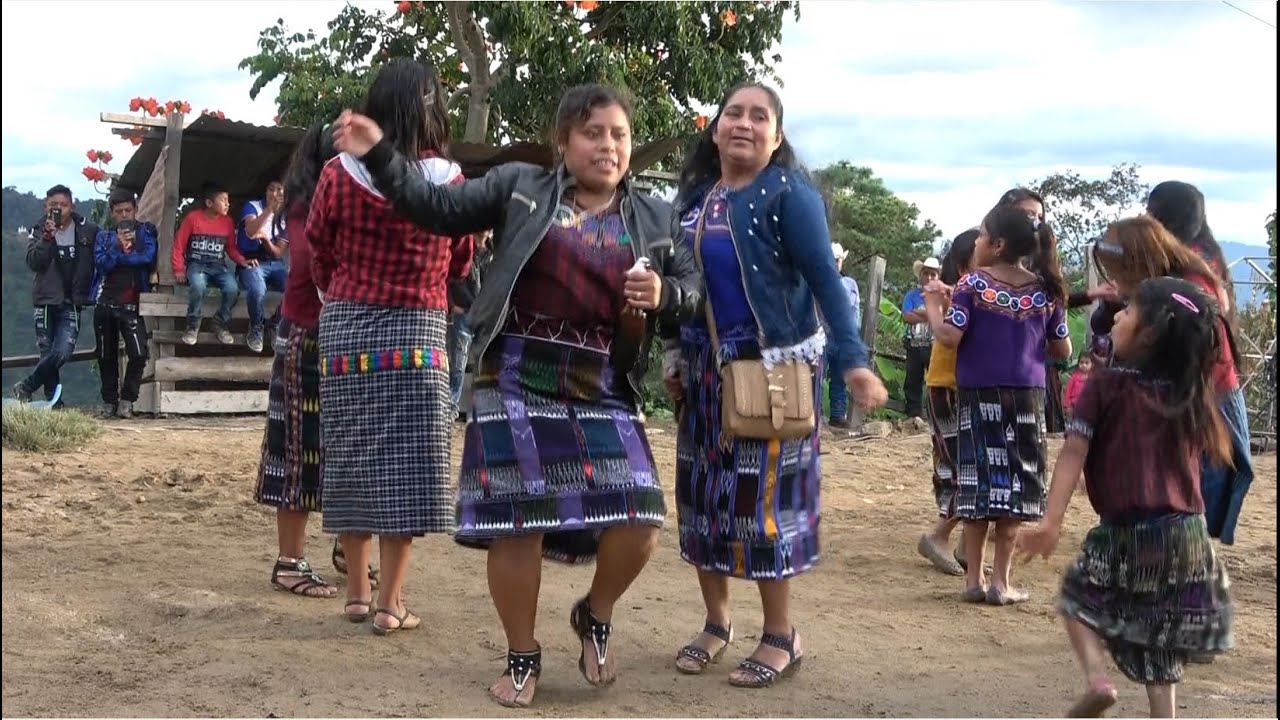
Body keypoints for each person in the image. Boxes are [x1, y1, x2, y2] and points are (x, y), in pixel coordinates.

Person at [332, 82, 702, 706]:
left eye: (617, 134)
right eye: (591, 133)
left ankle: (595, 612)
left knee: (641, 519)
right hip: (513, 374)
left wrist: (668, 296)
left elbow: (695, 294)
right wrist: (379, 156)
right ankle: (522, 653)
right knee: (518, 522)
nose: (606, 146)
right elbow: (434, 208)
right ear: (563, 142)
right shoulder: (519, 188)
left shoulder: (658, 219)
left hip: (603, 385)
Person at [666, 82, 887, 688]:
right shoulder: (694, 198)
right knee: (701, 498)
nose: (743, 124)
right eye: (732, 114)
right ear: (714, 130)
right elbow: (674, 279)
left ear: (777, 136)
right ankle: (716, 623)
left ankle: (781, 635)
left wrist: (855, 361)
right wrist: (671, 353)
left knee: (763, 505)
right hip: (704, 369)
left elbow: (823, 281)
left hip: (774, 370)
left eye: (758, 116)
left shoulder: (790, 194)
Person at [1017, 276, 1234, 719]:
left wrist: (1051, 521)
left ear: (1149, 333)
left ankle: (1098, 679)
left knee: (1078, 601)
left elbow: (1073, 450)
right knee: (1161, 633)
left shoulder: (1106, 384)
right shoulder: (1190, 392)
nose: (1116, 316)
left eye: (1128, 310)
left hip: (1126, 530)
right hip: (1187, 535)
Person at [308, 59, 472, 634]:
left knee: (352, 458)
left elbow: (317, 244)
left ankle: (356, 592)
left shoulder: (337, 172)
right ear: (433, 109)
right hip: (419, 333)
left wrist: (342, 291)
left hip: (348, 328)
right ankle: (391, 603)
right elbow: (463, 259)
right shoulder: (450, 182)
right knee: (408, 464)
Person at [930, 204, 1071, 605]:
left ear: (996, 244)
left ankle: (974, 580)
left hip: (977, 396)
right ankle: (1001, 583)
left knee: (977, 484)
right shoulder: (1046, 290)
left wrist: (935, 303)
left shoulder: (973, 284)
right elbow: (1062, 347)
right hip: (1027, 399)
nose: (975, 242)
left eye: (980, 235)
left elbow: (950, 337)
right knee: (1016, 487)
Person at [1091, 215, 1252, 548]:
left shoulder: (1187, 286)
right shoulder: (1151, 284)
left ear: (1138, 259)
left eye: (1119, 270)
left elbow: (1196, 344)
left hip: (1202, 386)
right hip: (1167, 388)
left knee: (1203, 468)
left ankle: (1189, 537)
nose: (1116, 279)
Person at [253, 122, 342, 601]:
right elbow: (316, 270)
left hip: (333, 338)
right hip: (307, 339)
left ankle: (350, 549)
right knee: (299, 452)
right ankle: (289, 562)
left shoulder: (331, 201)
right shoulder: (309, 207)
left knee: (341, 450)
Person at [1143, 183, 1254, 549]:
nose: (1147, 218)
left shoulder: (1188, 267)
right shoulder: (1203, 256)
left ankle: (1185, 540)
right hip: (1208, 378)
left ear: (1163, 217)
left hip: (1200, 380)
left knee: (1194, 465)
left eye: (1152, 212)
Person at [915, 229, 978, 576]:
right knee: (961, 467)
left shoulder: (967, 291)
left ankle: (967, 545)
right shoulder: (958, 294)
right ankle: (939, 535)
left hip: (960, 387)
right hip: (947, 387)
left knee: (969, 465)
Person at [13, 185, 98, 405]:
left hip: (73, 301)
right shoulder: (39, 229)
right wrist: (47, 238)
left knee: (63, 352)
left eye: (63, 205)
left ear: (72, 206)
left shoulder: (87, 229)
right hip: (45, 300)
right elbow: (34, 263)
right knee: (47, 352)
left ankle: (26, 386)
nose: (58, 209)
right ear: (45, 206)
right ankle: (54, 403)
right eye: (53, 205)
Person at [90, 190, 157, 419]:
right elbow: (101, 265)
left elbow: (147, 257)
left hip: (132, 305)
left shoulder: (145, 231)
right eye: (119, 211)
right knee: (105, 356)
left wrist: (119, 257)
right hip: (105, 302)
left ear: (135, 209)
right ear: (112, 213)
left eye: (128, 210)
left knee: (138, 353)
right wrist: (118, 247)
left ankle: (128, 399)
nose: (124, 215)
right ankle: (110, 402)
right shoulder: (104, 237)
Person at [172, 183, 246, 346]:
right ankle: (193, 325)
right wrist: (178, 269)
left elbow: (231, 248)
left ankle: (219, 322)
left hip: (218, 267)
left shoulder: (227, 222)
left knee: (233, 288)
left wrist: (242, 260)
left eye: (228, 200)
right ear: (209, 203)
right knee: (198, 286)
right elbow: (179, 245)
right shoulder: (193, 218)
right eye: (224, 200)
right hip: (197, 265)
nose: (228, 204)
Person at [237, 180, 289, 353]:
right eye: (270, 189)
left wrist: (266, 239)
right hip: (251, 261)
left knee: (295, 287)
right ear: (265, 191)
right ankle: (256, 327)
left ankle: (275, 323)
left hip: (274, 263)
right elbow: (251, 231)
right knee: (258, 288)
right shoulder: (252, 206)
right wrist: (269, 210)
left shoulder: (286, 217)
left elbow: (278, 252)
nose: (274, 194)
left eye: (279, 190)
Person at [446, 230, 490, 420]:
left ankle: (480, 409)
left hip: (484, 314)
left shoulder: (493, 253)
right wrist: (452, 305)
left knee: (483, 364)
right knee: (458, 363)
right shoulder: (464, 246)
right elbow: (447, 275)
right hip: (464, 311)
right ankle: (452, 406)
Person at [826, 241, 862, 428]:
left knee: (839, 379)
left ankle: (837, 415)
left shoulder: (850, 284)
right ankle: (814, 413)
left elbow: (854, 310)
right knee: (817, 375)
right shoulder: (819, 281)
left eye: (837, 260)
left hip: (840, 336)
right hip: (824, 334)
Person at [901, 257, 940, 427]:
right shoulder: (911, 295)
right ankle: (913, 414)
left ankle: (935, 415)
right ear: (921, 275)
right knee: (912, 379)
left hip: (935, 345)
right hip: (914, 344)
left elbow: (941, 316)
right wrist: (929, 314)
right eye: (926, 274)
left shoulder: (941, 296)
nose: (929, 278)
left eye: (933, 274)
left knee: (935, 380)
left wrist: (921, 313)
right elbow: (907, 316)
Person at [1062, 351, 1093, 418]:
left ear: (1092, 364)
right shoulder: (1074, 377)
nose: (1084, 365)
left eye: (1087, 363)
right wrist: (1067, 405)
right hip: (1074, 407)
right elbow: (1068, 391)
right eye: (1081, 362)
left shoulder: (1093, 378)